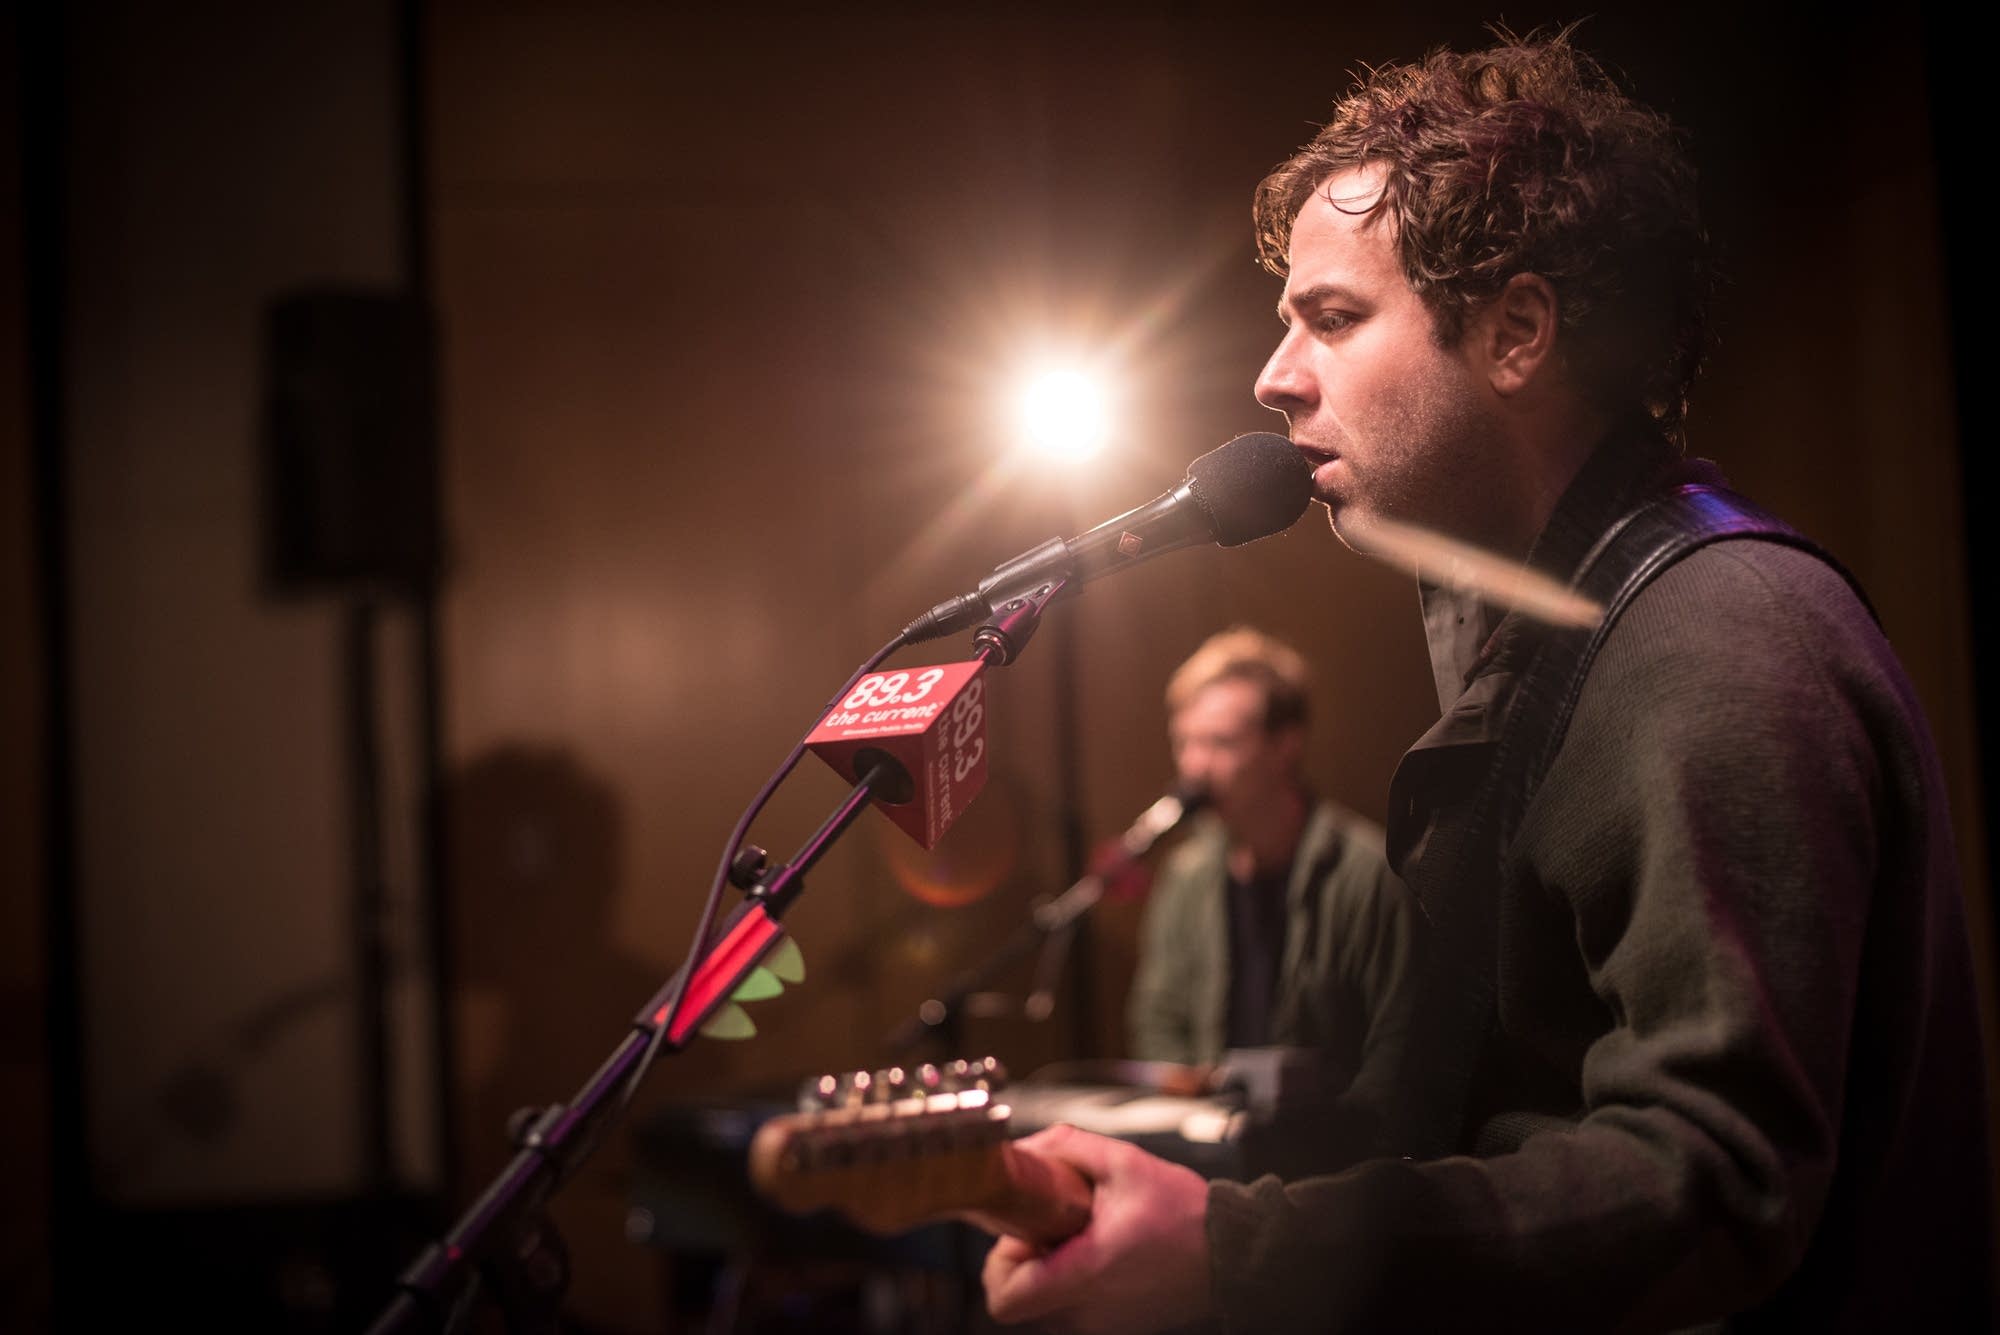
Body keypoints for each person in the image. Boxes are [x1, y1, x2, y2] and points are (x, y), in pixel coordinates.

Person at [982, 29, 1993, 1332]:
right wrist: (1170, 1200)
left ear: (1516, 331)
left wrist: (1247, 1249)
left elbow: (1717, 1175)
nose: (1273, 376)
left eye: (1333, 318)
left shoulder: (1724, 633)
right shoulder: (1550, 650)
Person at [1125, 627, 1421, 1173]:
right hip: (1213, 1166)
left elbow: (1399, 1054)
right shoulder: (1187, 877)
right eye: (1184, 741)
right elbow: (1158, 1023)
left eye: (1220, 742)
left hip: (1328, 1181)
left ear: (1286, 746)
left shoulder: (1367, 876)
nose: (1194, 766)